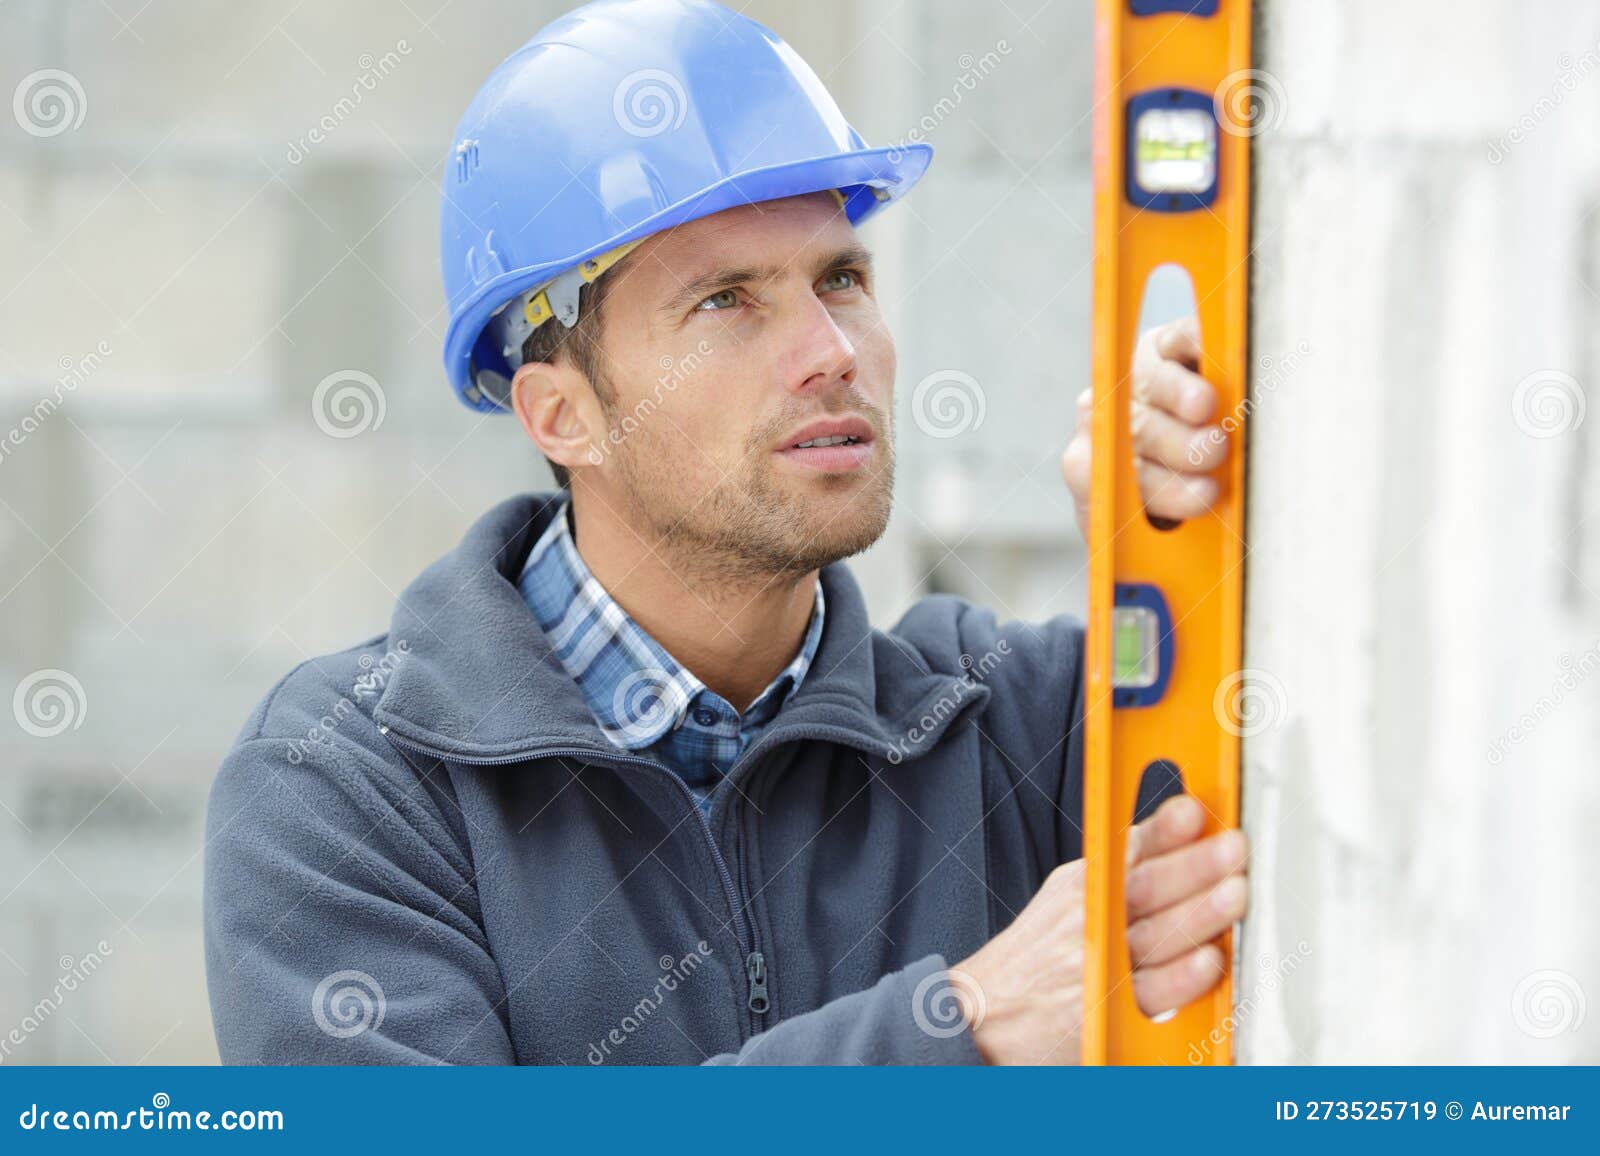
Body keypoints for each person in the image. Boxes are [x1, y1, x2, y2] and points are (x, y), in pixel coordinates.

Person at [203, 0, 1246, 1065]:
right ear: (561, 415)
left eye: (841, 278)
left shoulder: (1020, 729)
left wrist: (1173, 532)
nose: (832, 351)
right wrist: (959, 1026)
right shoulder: (346, 786)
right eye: (725, 301)